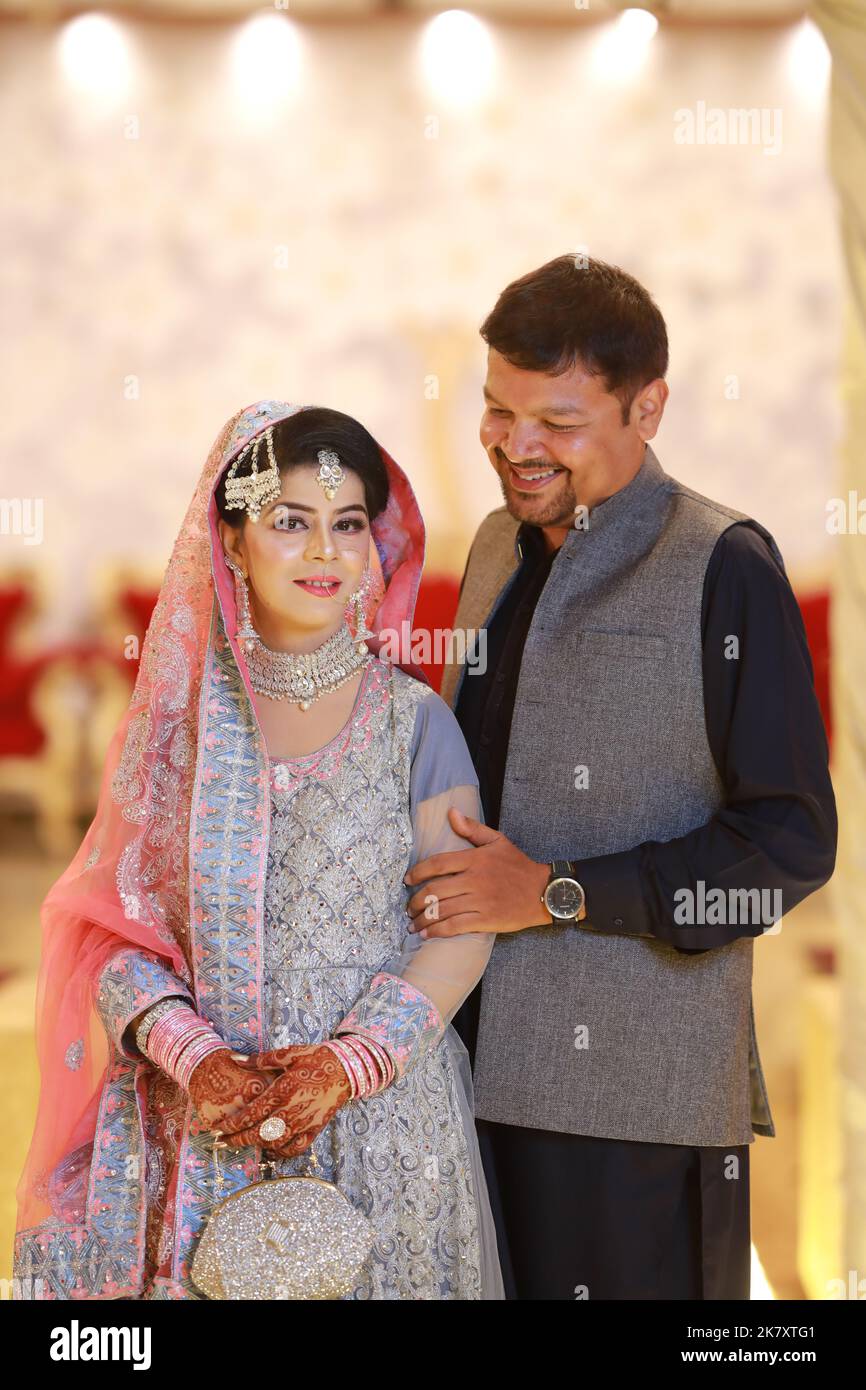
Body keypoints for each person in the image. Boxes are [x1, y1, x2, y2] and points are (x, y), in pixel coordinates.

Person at [405, 254, 838, 1300]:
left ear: (648, 406)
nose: (515, 446)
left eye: (555, 419)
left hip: (631, 1102)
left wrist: (555, 891)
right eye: (496, 410)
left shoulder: (722, 562)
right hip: (462, 1067)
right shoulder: (497, 547)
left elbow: (786, 841)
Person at [13, 399, 505, 1301]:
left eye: (348, 524)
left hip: (377, 1118)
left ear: (375, 546)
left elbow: (463, 923)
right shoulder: (179, 732)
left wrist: (349, 1063)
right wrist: (194, 1056)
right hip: (197, 1118)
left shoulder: (413, 723)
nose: (325, 551)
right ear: (232, 542)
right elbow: (108, 931)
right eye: (291, 523)